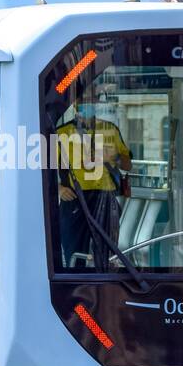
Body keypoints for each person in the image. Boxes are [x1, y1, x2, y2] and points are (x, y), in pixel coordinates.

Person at [55, 87, 131, 269]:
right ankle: (77, 291)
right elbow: (43, 170)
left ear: (96, 103)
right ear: (75, 105)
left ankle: (105, 290)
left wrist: (113, 157)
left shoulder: (110, 129)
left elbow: (128, 164)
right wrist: (59, 188)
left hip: (105, 198)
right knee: (73, 251)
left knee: (107, 254)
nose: (88, 105)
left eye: (92, 101)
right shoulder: (61, 133)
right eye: (84, 102)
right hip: (75, 199)